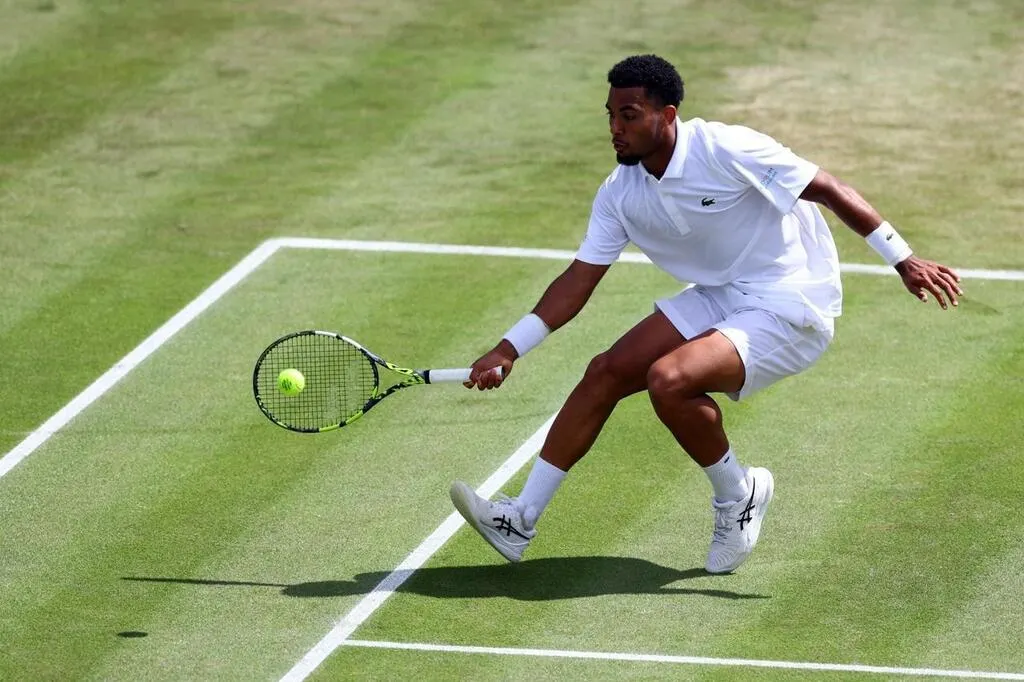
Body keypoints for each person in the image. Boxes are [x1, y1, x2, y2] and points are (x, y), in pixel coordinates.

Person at [449, 54, 962, 574]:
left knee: (668, 379)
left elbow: (825, 187)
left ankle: (737, 496)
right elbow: (578, 280)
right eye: (609, 116)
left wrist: (903, 258)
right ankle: (520, 519)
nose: (615, 130)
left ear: (667, 115)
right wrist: (509, 347)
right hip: (722, 291)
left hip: (792, 300)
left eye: (628, 115)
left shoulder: (725, 147)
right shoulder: (619, 194)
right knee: (605, 371)